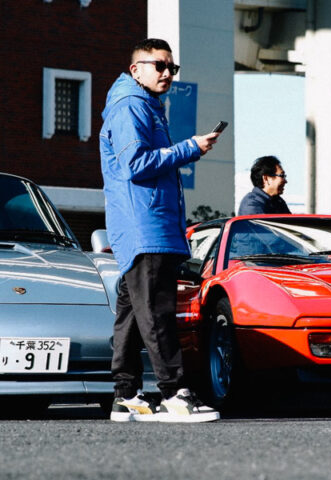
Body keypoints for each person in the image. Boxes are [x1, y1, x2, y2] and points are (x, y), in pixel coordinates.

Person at [100, 38, 220, 422]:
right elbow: (136, 164)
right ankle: (174, 393)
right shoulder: (131, 105)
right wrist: (189, 148)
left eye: (172, 67)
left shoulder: (143, 104)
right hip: (144, 225)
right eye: (159, 65)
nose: (168, 73)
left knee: (133, 313)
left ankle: (126, 395)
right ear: (136, 69)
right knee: (157, 309)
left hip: (147, 225)